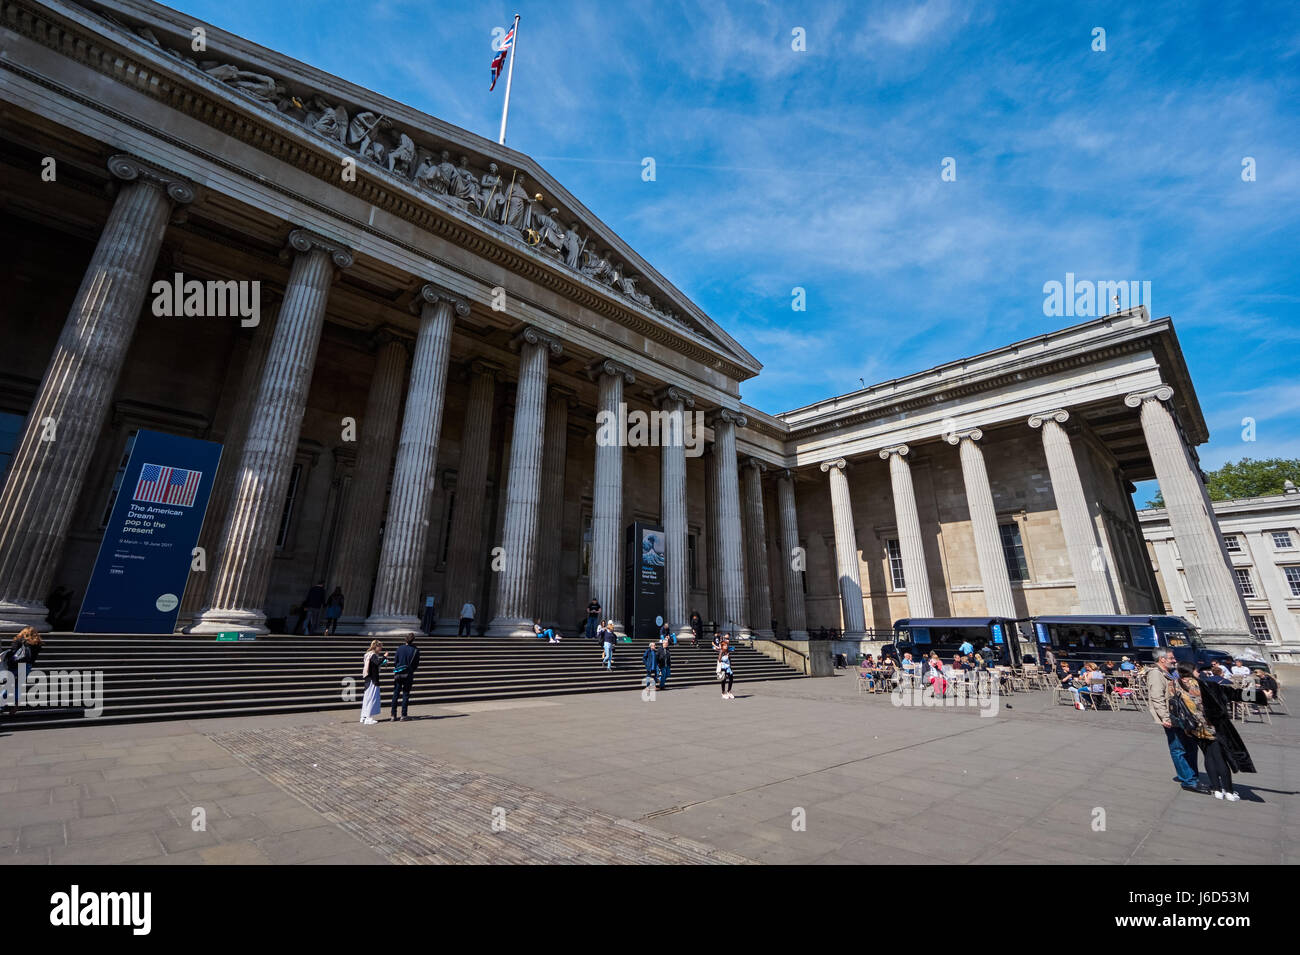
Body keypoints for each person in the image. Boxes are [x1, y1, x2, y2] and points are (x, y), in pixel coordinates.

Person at [1171, 662, 1257, 800]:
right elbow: (1233, 694)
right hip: (1210, 726)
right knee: (1220, 758)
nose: (1199, 673)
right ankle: (1228, 791)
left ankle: (1217, 789)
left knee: (1208, 756)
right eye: (1197, 670)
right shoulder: (1203, 685)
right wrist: (1262, 695)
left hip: (1193, 727)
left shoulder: (1174, 684)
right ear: (1190, 670)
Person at [1147, 650, 1205, 793]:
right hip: (1172, 716)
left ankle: (1190, 775)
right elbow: (1157, 697)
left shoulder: (1171, 672)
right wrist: (1165, 717)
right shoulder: (1156, 673)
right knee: (1179, 748)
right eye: (1171, 658)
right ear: (1162, 659)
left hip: (1182, 715)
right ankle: (1189, 780)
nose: (1174, 660)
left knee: (1190, 747)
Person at [2, 627, 42, 712]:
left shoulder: (19, 641)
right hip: (26, 666)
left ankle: (1, 704)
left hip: (15, 665)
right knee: (18, 686)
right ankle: (16, 705)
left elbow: (14, 653)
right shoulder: (37, 644)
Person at [390, 635, 420, 722]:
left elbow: (395, 661)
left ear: (405, 639)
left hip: (398, 673)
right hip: (408, 674)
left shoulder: (399, 648)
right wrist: (411, 670)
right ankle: (403, 715)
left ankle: (393, 715)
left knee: (396, 694)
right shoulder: (415, 650)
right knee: (405, 694)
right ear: (413, 640)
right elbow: (416, 664)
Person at [360, 640, 388, 724]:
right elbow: (377, 663)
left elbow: (374, 665)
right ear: (376, 647)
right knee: (372, 698)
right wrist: (384, 657)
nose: (381, 649)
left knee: (367, 698)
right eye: (380, 647)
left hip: (368, 679)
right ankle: (368, 718)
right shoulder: (373, 655)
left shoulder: (368, 654)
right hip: (373, 679)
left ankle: (363, 716)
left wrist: (382, 662)